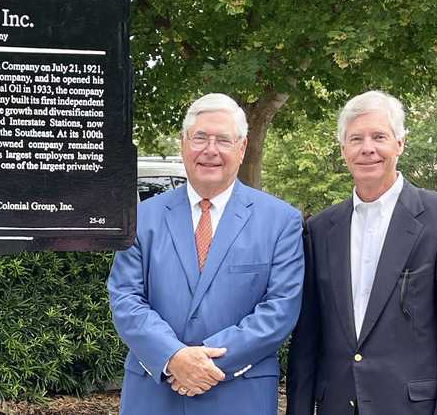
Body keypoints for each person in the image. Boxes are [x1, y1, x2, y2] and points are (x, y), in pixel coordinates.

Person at [287, 90, 437, 415]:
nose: (367, 148)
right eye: (356, 139)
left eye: (379, 136)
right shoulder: (321, 229)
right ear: (343, 151)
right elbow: (308, 337)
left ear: (400, 144)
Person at [108, 93, 304, 414]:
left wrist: (202, 364)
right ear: (183, 144)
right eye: (200, 137)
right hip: (155, 393)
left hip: (239, 395)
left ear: (241, 149)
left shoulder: (280, 221)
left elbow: (280, 309)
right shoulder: (142, 217)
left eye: (223, 140)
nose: (210, 150)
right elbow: (126, 298)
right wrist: (174, 357)